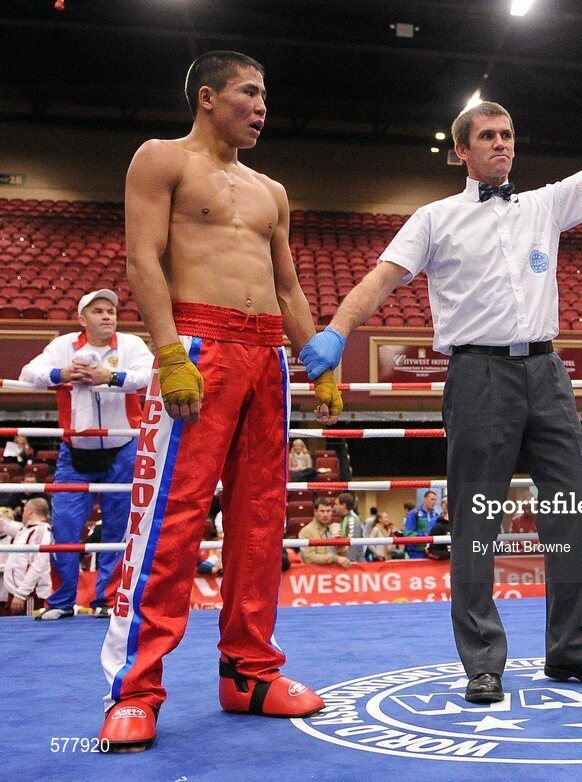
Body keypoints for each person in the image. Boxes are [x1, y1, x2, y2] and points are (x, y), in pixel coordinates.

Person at [300, 46, 582, 705]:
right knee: (477, 523)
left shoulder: (544, 205)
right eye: (488, 137)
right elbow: (382, 279)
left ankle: (570, 651)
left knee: (573, 517)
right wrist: (337, 328)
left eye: (507, 136)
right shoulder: (434, 218)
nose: (501, 144)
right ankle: (483, 661)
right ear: (462, 152)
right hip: (477, 377)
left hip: (546, 371)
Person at [97, 50, 342, 753]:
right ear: (208, 97)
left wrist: (314, 361)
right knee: (170, 523)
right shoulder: (161, 159)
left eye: (265, 95)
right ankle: (135, 689)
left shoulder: (271, 190)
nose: (262, 107)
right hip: (198, 347)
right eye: (249, 93)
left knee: (262, 523)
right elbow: (143, 258)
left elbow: (290, 287)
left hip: (266, 355)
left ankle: (250, 673)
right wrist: (169, 352)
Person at [19, 289, 153, 621]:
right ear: (83, 319)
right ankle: (61, 601)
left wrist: (113, 377)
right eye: (99, 311)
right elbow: (27, 375)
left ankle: (107, 600)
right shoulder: (63, 346)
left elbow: (153, 375)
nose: (107, 316)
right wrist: (60, 375)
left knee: (118, 528)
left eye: (111, 311)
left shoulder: (131, 345)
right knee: (64, 528)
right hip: (74, 452)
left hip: (123, 450)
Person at [2, 498, 53, 616]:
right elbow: (5, 525)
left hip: (28, 596)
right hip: (17, 593)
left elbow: (37, 565)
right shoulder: (25, 530)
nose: (22, 514)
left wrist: (21, 594)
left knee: (27, 632)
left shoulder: (41, 531)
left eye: (24, 510)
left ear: (29, 511)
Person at [299, 498, 350, 566]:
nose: (325, 514)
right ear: (315, 512)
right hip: (316, 574)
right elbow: (309, 558)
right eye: (322, 511)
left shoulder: (334, 529)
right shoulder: (306, 531)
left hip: (335, 573)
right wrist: (335, 559)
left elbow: (343, 557)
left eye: (328, 511)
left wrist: (340, 546)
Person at [403, 490, 440, 560]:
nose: (434, 502)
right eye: (432, 499)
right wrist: (424, 536)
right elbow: (407, 534)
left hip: (433, 551)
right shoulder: (414, 513)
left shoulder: (436, 515)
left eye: (435, 500)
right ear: (425, 499)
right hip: (416, 552)